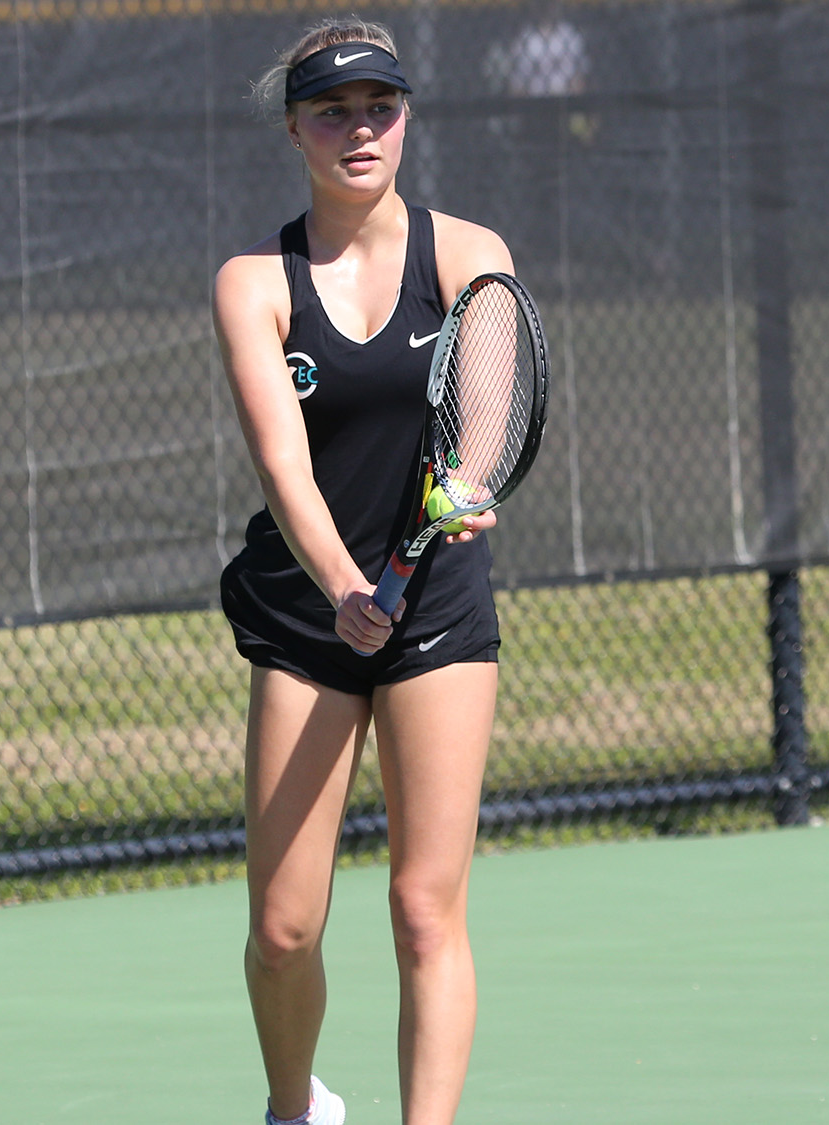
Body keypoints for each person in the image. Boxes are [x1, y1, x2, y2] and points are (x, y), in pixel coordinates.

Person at [213, 18, 515, 1125]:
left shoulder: (469, 254)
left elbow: (486, 409)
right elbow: (282, 466)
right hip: (309, 617)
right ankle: (295, 1107)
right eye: (331, 111)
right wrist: (344, 585)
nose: (358, 129)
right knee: (283, 930)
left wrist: (468, 483)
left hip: (434, 612)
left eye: (377, 106)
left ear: (406, 116)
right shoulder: (254, 284)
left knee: (423, 912)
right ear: (294, 128)